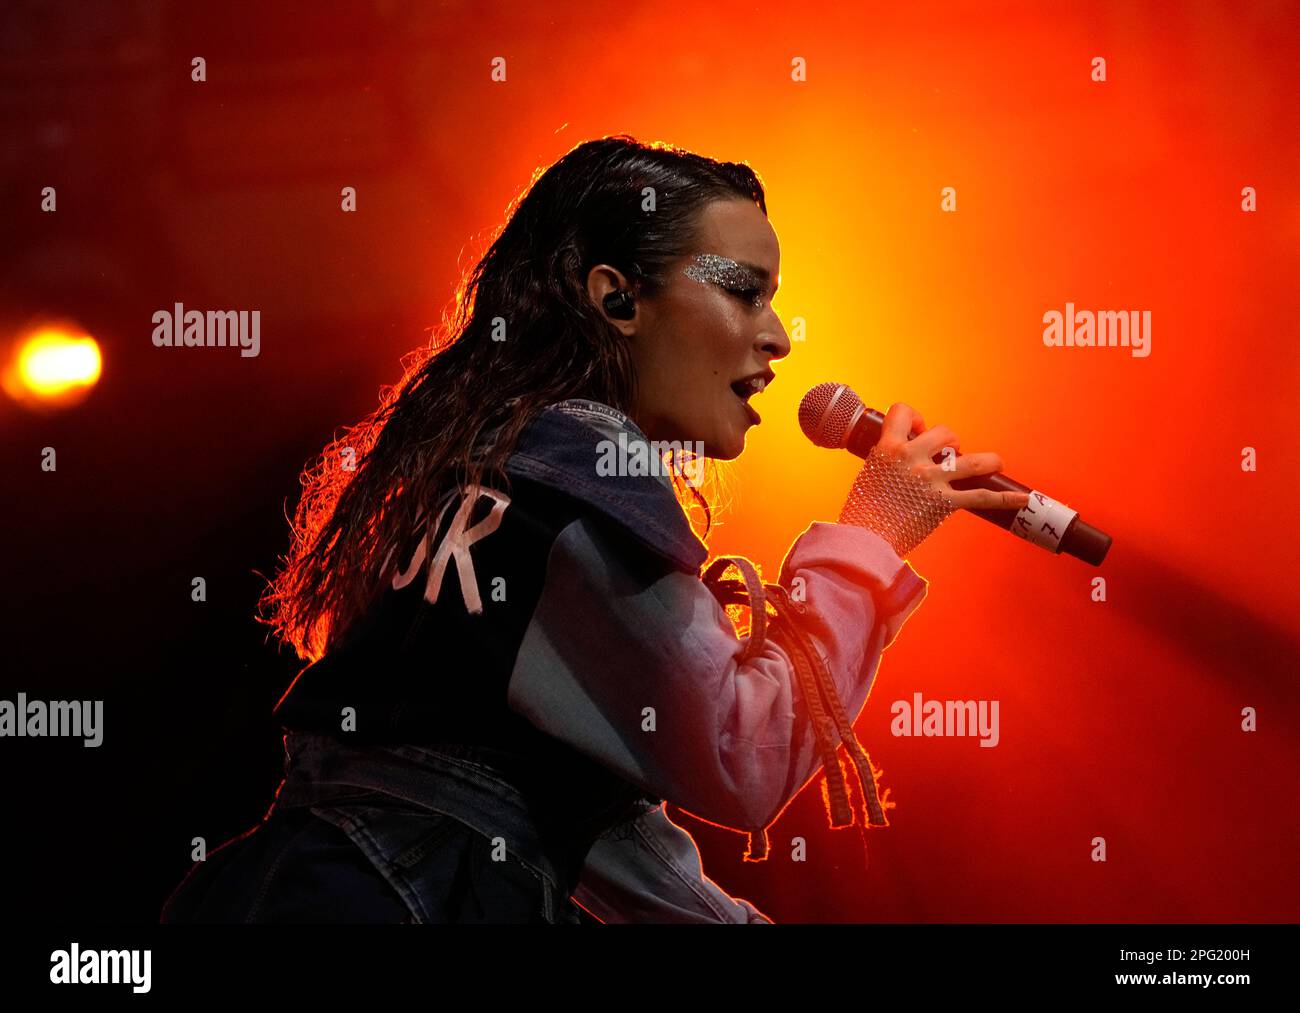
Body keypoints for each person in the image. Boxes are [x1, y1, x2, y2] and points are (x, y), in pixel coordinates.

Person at [159, 135, 1029, 924]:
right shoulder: (578, 483)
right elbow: (742, 754)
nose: (776, 338)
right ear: (617, 300)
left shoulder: (484, 468)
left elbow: (582, 824)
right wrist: (868, 540)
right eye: (744, 292)